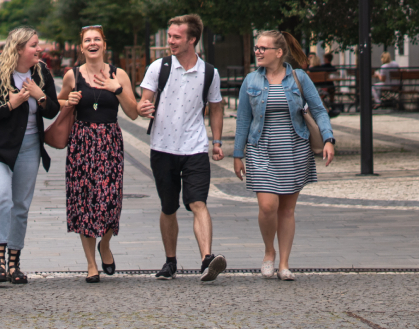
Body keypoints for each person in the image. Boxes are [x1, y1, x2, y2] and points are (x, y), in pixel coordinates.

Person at [233, 31, 336, 280]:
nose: (257, 52)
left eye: (262, 48)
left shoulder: (299, 78)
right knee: (268, 207)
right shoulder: (250, 81)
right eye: (256, 48)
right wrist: (238, 154)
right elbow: (243, 120)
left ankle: (284, 264)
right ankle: (269, 252)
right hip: (261, 149)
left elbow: (320, 111)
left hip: (294, 149)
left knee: (287, 210)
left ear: (278, 52)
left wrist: (329, 139)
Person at [137, 14, 227, 282]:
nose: (171, 41)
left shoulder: (210, 73)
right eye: (170, 36)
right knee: (168, 207)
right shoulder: (158, 67)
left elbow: (216, 108)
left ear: (192, 39)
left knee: (198, 202)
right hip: (162, 148)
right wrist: (143, 108)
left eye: (177, 37)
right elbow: (144, 102)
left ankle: (207, 260)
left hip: (195, 148)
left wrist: (217, 142)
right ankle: (171, 262)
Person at [0, 27, 60, 285]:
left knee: (20, 205)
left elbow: (52, 109)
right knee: (1, 195)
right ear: (19, 48)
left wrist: (39, 96)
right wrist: (9, 105)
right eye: (34, 45)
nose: (39, 49)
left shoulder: (41, 72)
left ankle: (14, 262)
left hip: (29, 146)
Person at [56, 25, 139, 282]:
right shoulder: (72, 75)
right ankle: (91, 264)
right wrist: (68, 102)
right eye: (87, 40)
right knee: (84, 203)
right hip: (81, 143)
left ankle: (106, 244)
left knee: (110, 201)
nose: (92, 44)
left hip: (110, 141)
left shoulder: (119, 74)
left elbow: (133, 112)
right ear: (82, 47)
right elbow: (55, 103)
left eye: (97, 40)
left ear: (104, 44)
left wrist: (117, 88)